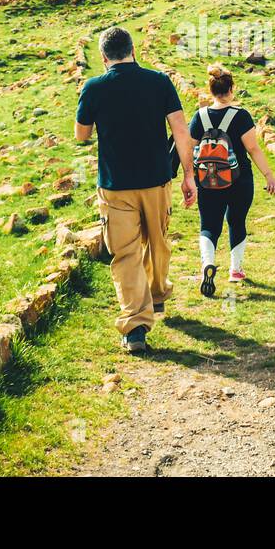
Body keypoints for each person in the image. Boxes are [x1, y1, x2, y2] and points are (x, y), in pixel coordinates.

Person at [75, 26, 195, 353]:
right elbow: (181, 131)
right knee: (158, 242)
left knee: (125, 253)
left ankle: (136, 326)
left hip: (115, 185)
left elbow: (82, 135)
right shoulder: (159, 82)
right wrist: (188, 175)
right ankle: (155, 297)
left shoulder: (94, 87)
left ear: (103, 58)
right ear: (134, 50)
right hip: (156, 180)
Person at [189, 65, 275, 297]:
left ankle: (207, 263)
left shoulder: (199, 117)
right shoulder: (241, 116)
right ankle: (235, 270)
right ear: (232, 88)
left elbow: (189, 150)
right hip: (239, 179)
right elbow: (253, 149)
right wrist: (269, 175)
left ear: (211, 90)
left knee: (208, 224)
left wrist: (189, 178)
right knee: (237, 221)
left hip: (207, 180)